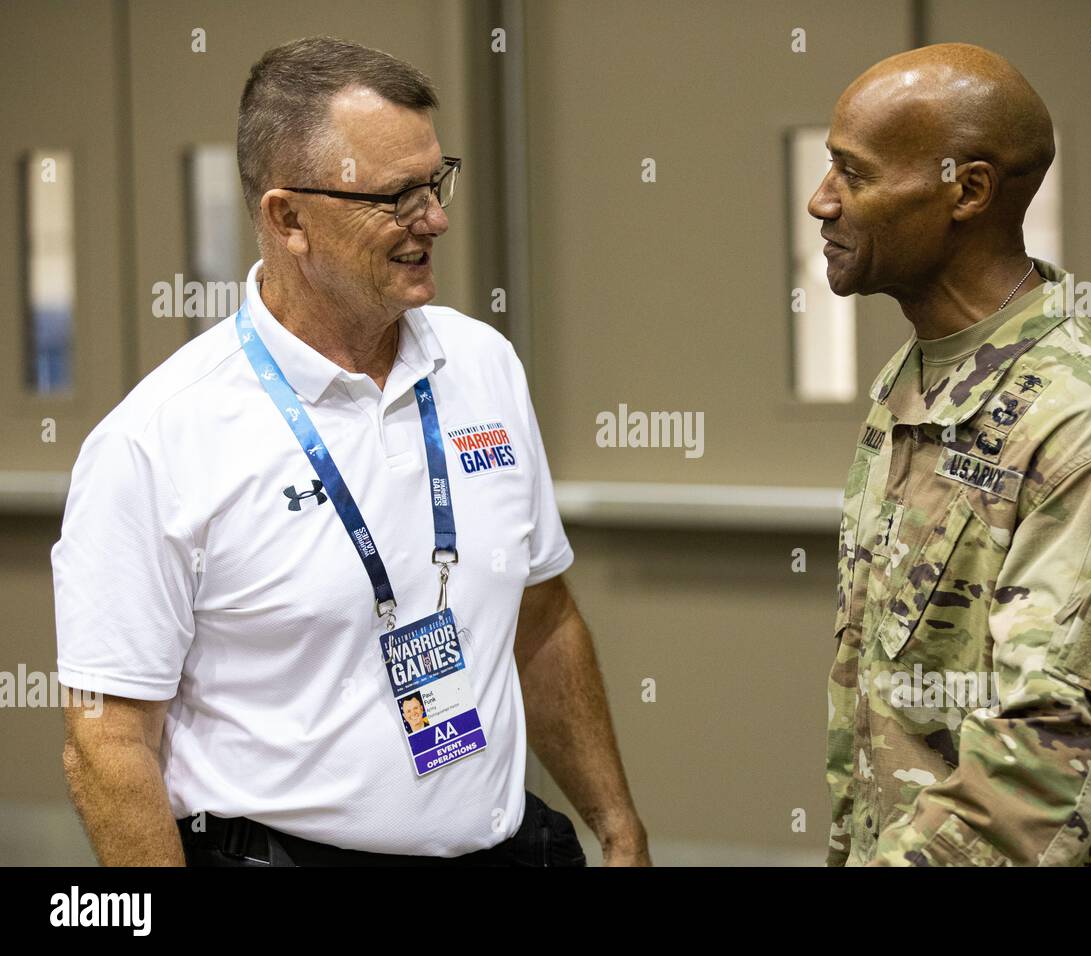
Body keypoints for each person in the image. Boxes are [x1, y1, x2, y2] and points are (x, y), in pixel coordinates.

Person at [53, 36, 649, 868]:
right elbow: (108, 741)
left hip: (510, 846)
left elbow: (541, 616)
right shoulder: (156, 442)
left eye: (436, 181)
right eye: (395, 196)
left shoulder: (481, 365)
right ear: (287, 218)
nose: (433, 218)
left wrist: (619, 829)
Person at [808, 42, 1091, 866]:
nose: (822, 202)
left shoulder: (1077, 422)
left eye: (853, 174)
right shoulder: (923, 371)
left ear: (965, 191)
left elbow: (1049, 765)